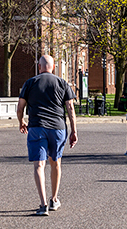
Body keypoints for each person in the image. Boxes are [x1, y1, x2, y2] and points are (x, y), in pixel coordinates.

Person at [17, 55, 78, 216]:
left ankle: (43, 204)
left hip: (37, 126)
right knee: (55, 162)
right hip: (57, 128)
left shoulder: (30, 83)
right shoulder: (62, 83)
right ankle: (54, 199)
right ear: (53, 67)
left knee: (39, 165)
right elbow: (70, 108)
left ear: (39, 67)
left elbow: (20, 107)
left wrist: (21, 121)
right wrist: (74, 130)